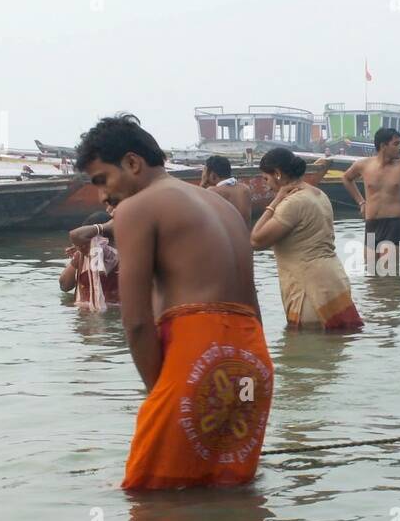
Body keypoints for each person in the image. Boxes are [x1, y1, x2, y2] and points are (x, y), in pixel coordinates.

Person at [75, 113, 272, 490]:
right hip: (251, 361)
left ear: (132, 163)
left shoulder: (136, 209)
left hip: (197, 358)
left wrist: (162, 397)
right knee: (230, 497)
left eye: (102, 180)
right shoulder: (224, 208)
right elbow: (253, 305)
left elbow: (135, 323)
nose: (102, 196)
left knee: (153, 500)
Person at [251, 148, 363, 331]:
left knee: (306, 350)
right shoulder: (319, 194)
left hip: (309, 289)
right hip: (334, 281)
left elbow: (256, 240)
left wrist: (274, 202)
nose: (266, 185)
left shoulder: (292, 202)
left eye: (266, 178)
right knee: (333, 351)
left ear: (277, 174)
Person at [341, 128, 400, 267]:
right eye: (396, 144)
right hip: (372, 224)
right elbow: (346, 178)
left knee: (389, 272)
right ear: (383, 146)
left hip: (393, 224)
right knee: (370, 270)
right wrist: (361, 202)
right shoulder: (364, 165)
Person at [59, 211, 120, 310]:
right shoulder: (128, 253)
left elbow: (64, 285)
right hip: (118, 315)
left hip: (87, 316)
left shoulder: (83, 256)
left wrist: (78, 255)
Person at [200, 155, 252, 225]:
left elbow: (196, 210)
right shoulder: (245, 189)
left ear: (213, 175)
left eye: (204, 172)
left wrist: (202, 183)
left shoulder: (212, 191)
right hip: (245, 234)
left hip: (225, 235)